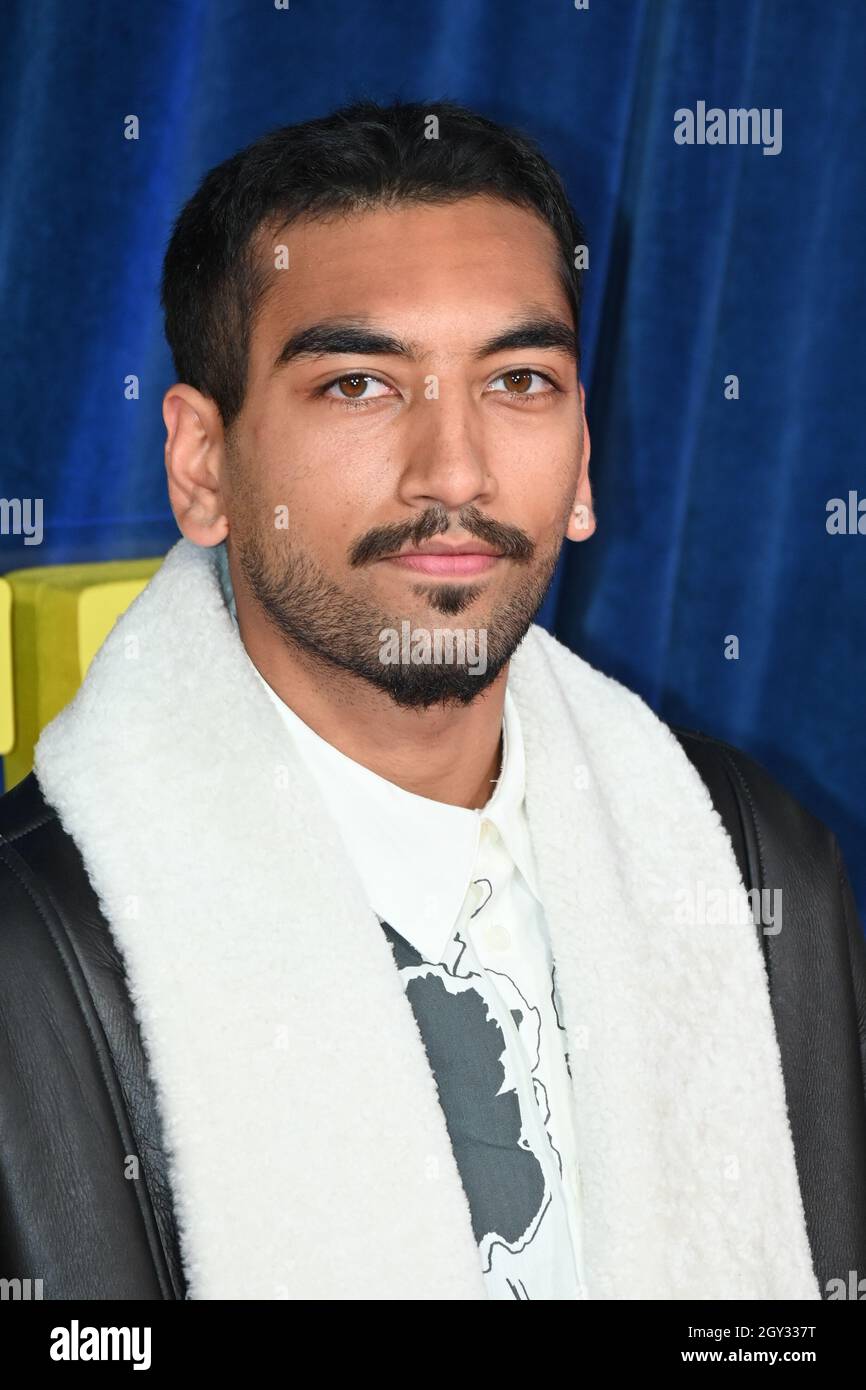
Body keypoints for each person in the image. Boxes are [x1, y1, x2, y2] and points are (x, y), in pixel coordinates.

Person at [1, 98, 864, 1302]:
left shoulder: (751, 862)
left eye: (516, 380)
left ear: (581, 464)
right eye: (358, 385)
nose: (452, 469)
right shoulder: (34, 961)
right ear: (203, 466)